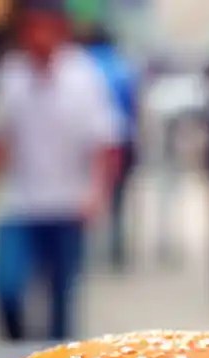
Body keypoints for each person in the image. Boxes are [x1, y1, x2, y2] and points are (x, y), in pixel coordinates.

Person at [0, 0, 123, 341]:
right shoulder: (8, 77)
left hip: (67, 203)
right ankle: (15, 351)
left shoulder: (84, 76)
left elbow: (106, 142)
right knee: (7, 287)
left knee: (61, 296)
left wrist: (97, 194)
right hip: (18, 202)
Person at [82, 26, 138, 270]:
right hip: (121, 142)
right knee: (117, 200)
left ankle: (87, 251)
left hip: (88, 145)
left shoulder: (82, 67)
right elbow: (133, 109)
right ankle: (116, 248)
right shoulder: (123, 68)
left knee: (86, 196)